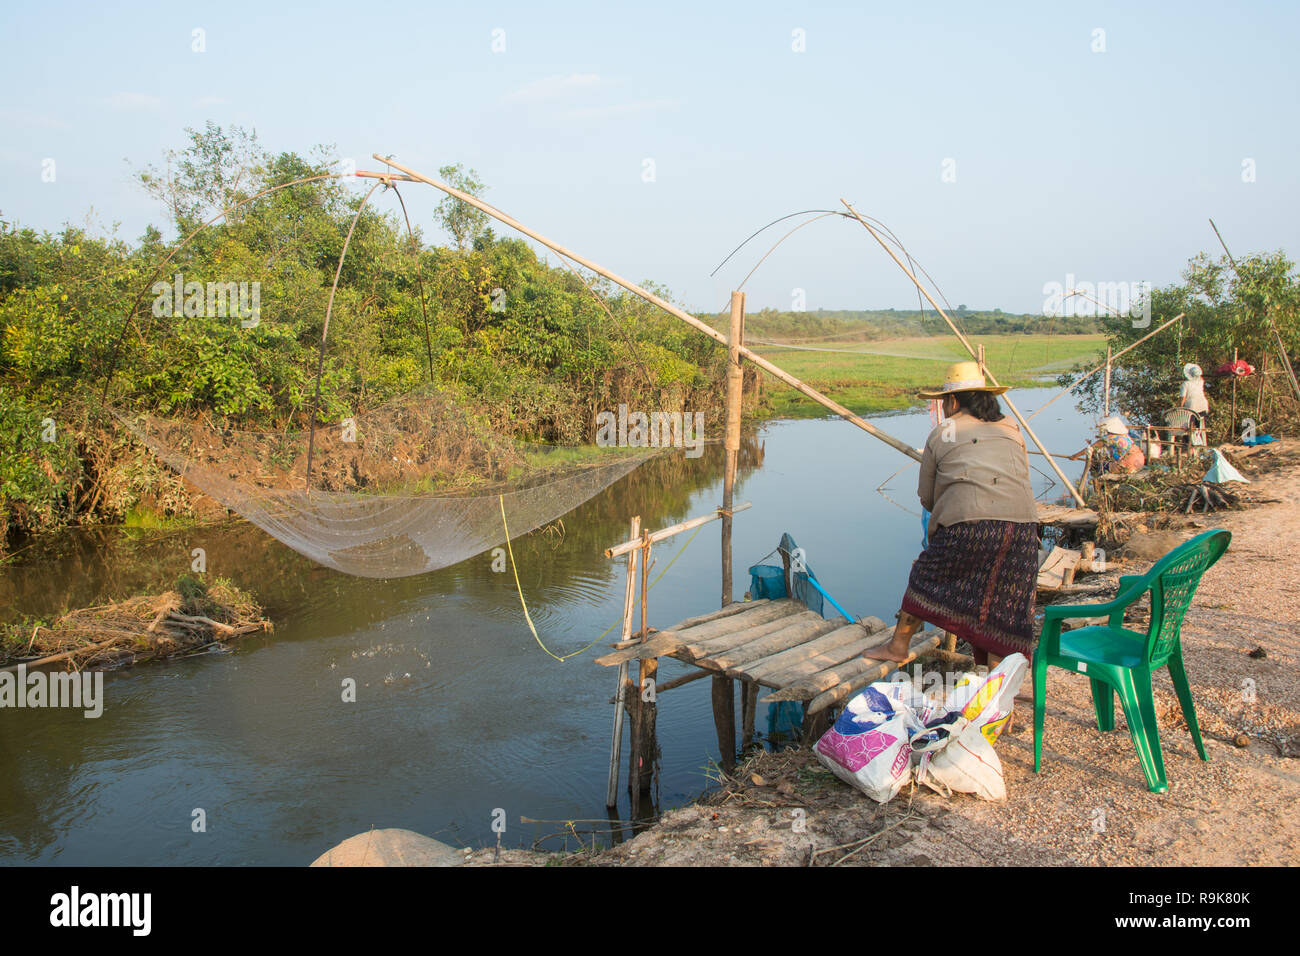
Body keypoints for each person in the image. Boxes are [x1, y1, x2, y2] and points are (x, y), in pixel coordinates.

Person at [866, 362, 1041, 676]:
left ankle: (897, 646)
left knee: (925, 577)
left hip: (970, 524)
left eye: (945, 401)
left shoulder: (943, 432)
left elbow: (928, 497)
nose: (944, 407)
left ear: (955, 401)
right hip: (1023, 527)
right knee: (1003, 602)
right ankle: (998, 680)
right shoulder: (1011, 428)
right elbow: (1022, 477)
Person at [1070, 416, 1145, 474]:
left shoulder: (1109, 438)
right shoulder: (1125, 435)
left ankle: (1102, 489)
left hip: (1128, 464)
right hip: (1140, 461)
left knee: (1101, 467)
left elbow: (1091, 449)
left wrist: (1075, 456)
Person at [1180, 363, 1209, 446]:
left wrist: (1180, 407)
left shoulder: (1186, 384)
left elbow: (1183, 398)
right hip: (1203, 406)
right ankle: (1199, 441)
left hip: (1192, 407)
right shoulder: (1201, 382)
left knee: (1187, 423)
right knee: (1198, 423)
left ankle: (1189, 442)